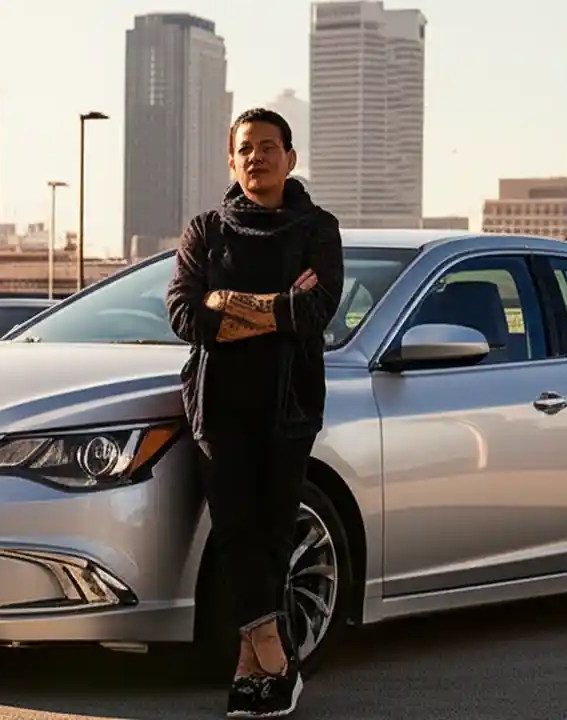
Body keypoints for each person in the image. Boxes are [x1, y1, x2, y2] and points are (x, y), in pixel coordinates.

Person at [165, 107, 343, 718]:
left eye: (270, 146)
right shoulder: (205, 230)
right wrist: (277, 308)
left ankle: (254, 664)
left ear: (290, 158)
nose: (257, 156)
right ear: (231, 158)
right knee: (236, 529)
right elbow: (188, 318)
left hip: (288, 407)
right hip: (217, 410)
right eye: (246, 147)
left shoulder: (317, 228)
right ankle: (274, 657)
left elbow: (315, 313)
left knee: (270, 532)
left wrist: (230, 306)